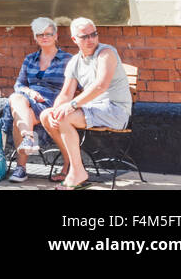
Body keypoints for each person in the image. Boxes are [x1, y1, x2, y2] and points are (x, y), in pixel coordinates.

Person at [40, 17, 132, 190]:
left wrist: (71, 105)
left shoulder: (106, 53)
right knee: (47, 115)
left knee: (64, 117)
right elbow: (66, 93)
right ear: (75, 39)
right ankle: (72, 165)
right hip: (92, 110)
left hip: (115, 111)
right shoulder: (75, 61)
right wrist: (55, 109)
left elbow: (101, 86)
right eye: (85, 37)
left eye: (93, 35)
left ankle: (77, 172)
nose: (91, 40)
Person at [5, 17, 72, 183]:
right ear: (35, 38)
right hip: (29, 102)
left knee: (19, 117)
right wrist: (30, 91)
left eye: (48, 33)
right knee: (17, 99)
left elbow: (73, 86)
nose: (44, 37)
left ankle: (20, 168)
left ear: (56, 36)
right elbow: (19, 84)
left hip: (53, 104)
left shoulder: (67, 59)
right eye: (40, 34)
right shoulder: (30, 59)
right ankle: (28, 138)